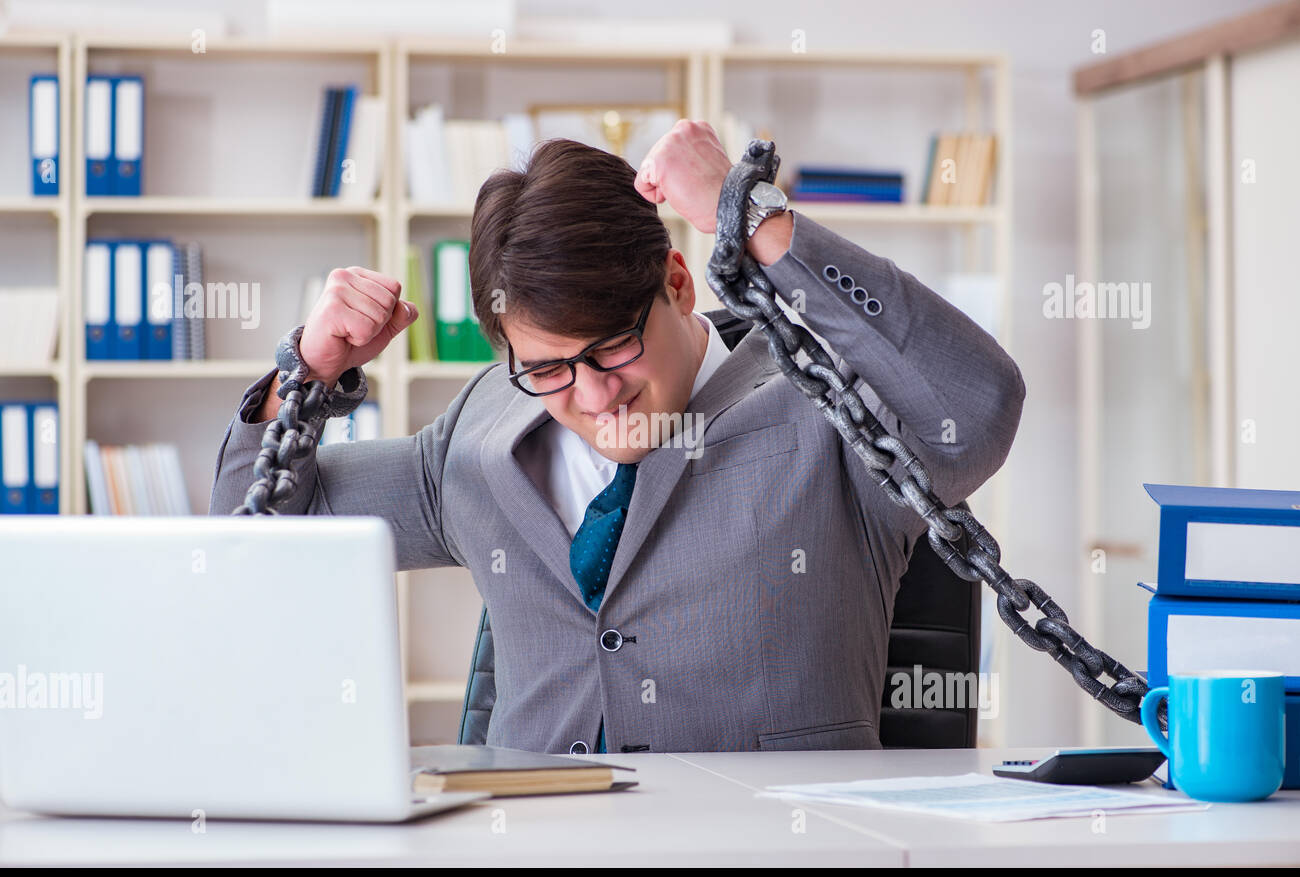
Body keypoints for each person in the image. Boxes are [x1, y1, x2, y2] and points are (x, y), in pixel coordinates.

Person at [209, 120, 1025, 755]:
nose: (595, 395)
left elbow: (978, 405)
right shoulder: (483, 431)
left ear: (677, 281)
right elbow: (267, 532)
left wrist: (754, 218)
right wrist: (304, 375)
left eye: (612, 347)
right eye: (548, 366)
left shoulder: (821, 403)